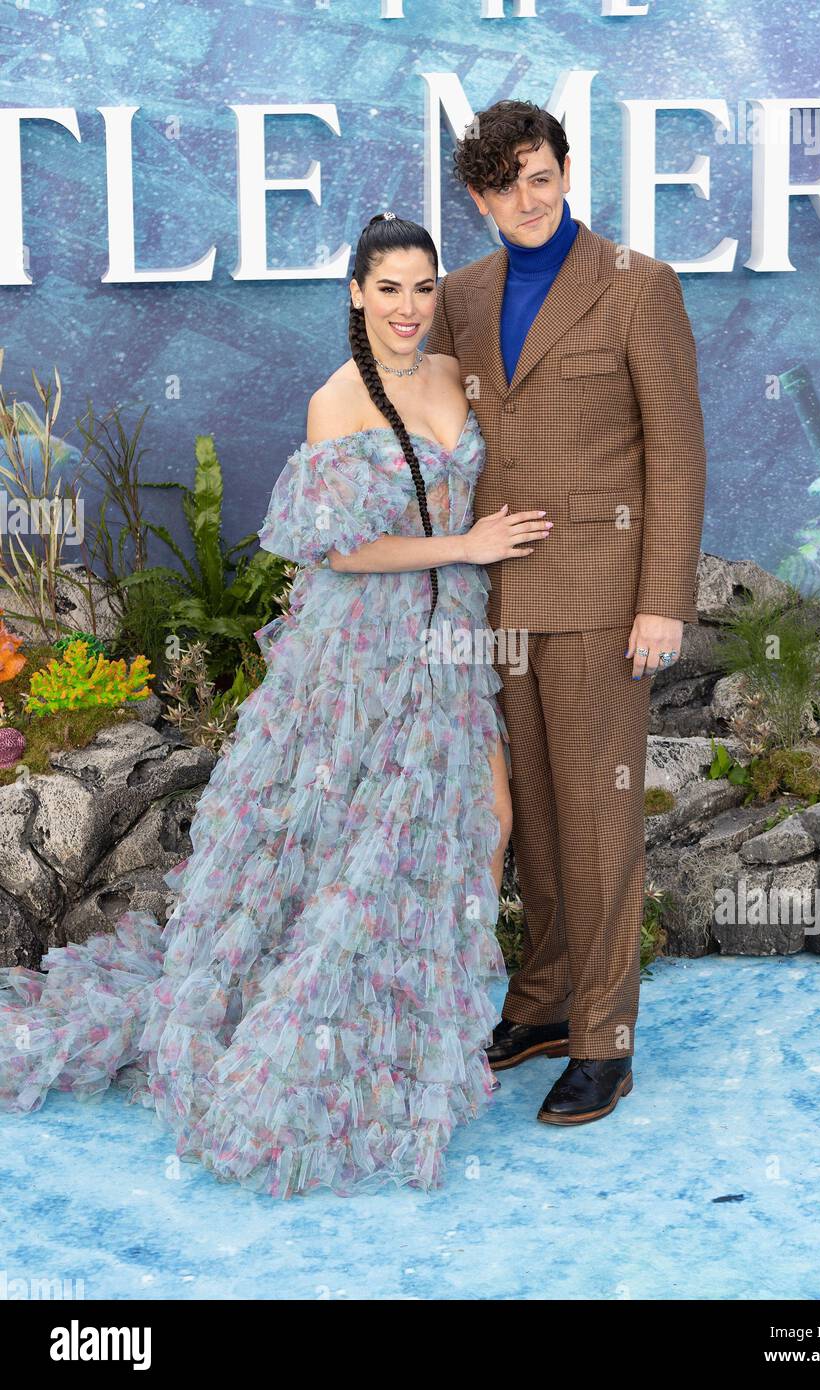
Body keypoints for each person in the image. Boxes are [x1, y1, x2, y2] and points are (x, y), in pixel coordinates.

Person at [0, 212, 554, 1197]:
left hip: (453, 645)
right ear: (355, 293)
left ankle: (426, 1024)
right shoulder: (334, 402)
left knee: (486, 822)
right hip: (361, 646)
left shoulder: (450, 376)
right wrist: (464, 548)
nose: (408, 307)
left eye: (423, 288)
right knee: (358, 851)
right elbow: (339, 550)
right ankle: (353, 1052)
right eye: (389, 288)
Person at [425, 100, 707, 1125]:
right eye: (504, 185)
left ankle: (604, 1041)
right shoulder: (459, 296)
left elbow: (676, 454)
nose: (525, 199)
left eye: (538, 175)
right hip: (497, 600)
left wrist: (662, 603)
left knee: (596, 825)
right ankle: (542, 1003)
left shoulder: (639, 287)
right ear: (477, 198)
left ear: (565, 169)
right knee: (533, 821)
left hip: (600, 602)